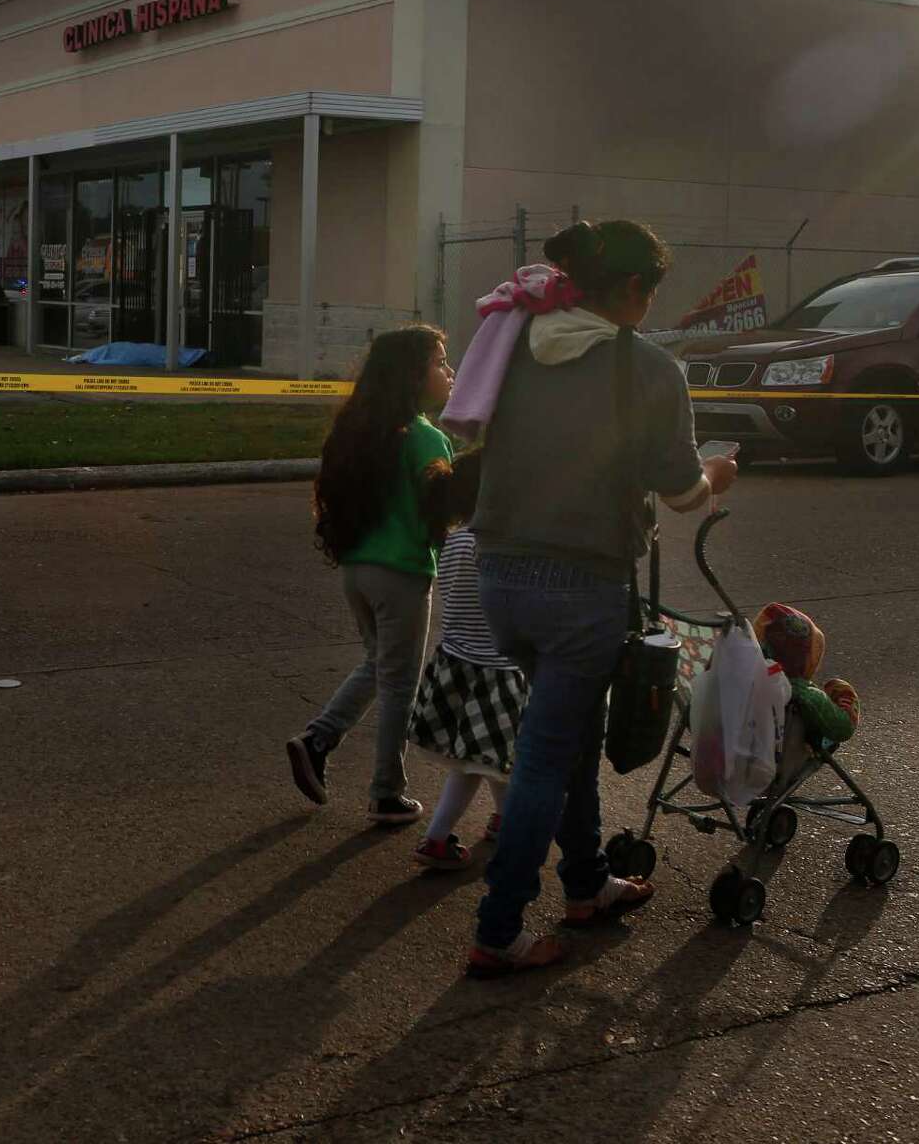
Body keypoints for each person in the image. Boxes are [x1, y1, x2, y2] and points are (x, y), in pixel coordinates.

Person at [464, 219, 739, 975]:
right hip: (579, 586)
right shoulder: (646, 367)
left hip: (499, 573)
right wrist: (718, 476)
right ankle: (499, 930)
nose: (651, 304)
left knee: (572, 735)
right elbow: (682, 493)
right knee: (545, 760)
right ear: (629, 289)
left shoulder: (512, 346)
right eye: (650, 291)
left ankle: (586, 887)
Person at [287, 325, 455, 825]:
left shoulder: (362, 432)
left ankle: (317, 742)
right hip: (403, 574)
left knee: (379, 663)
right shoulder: (427, 439)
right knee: (400, 681)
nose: (449, 371)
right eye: (440, 363)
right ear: (412, 376)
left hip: (358, 570)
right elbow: (439, 514)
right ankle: (386, 791)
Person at [404, 449, 530, 870]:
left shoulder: (455, 540)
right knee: (475, 764)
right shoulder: (500, 547)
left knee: (486, 757)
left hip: (457, 664)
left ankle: (502, 818)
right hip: (496, 672)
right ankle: (435, 839)